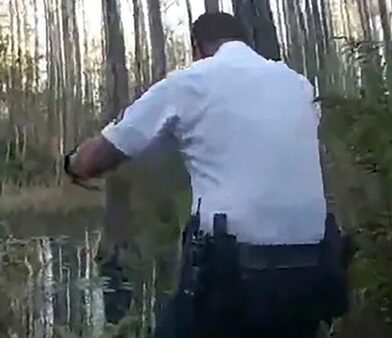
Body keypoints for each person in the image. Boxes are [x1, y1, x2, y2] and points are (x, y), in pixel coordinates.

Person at [64, 12, 348, 338]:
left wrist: (71, 164)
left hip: (231, 276)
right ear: (247, 42)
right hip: (315, 272)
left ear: (197, 48)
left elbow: (99, 156)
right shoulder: (299, 85)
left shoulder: (189, 82)